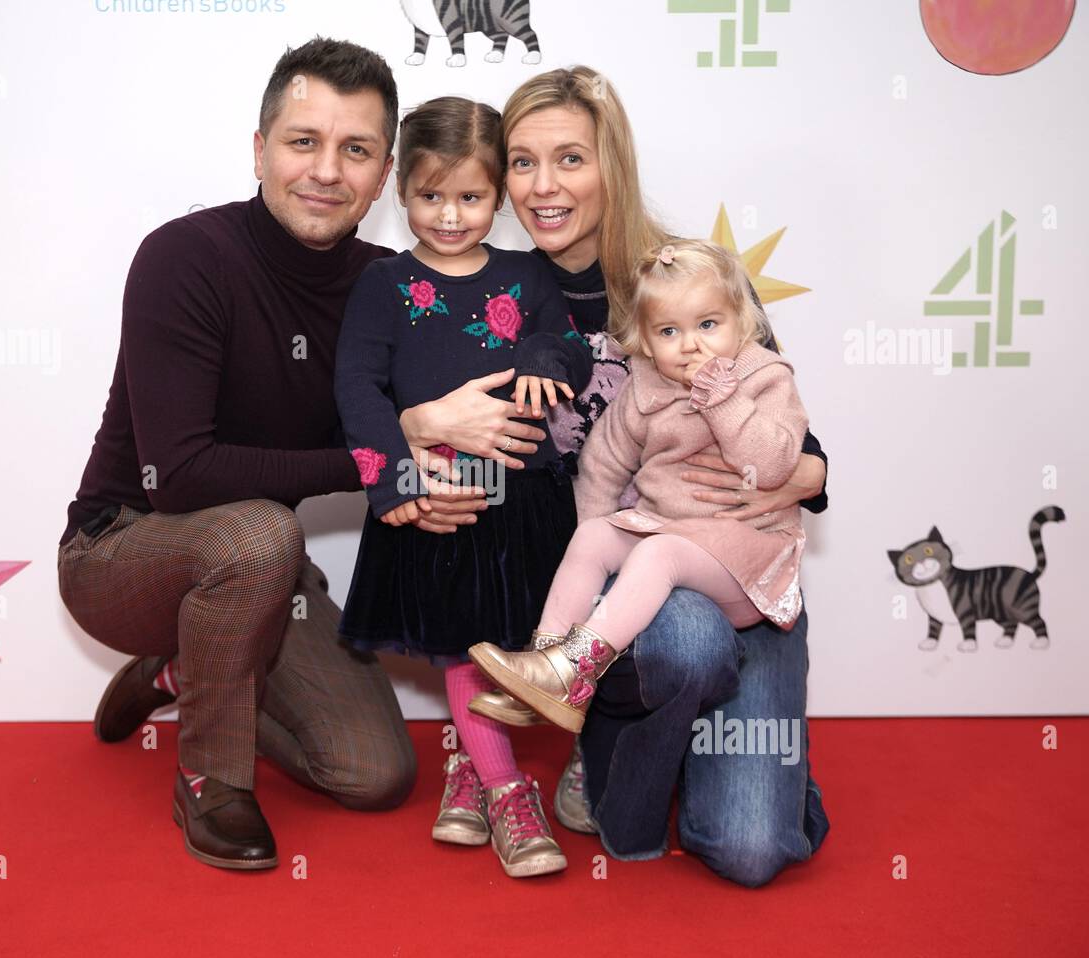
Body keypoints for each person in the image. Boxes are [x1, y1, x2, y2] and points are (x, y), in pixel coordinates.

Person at [395, 66, 831, 885]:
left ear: (612, 165)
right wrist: (414, 425)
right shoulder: (496, 289)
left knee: (749, 848)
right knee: (684, 639)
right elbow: (402, 399)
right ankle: (601, 721)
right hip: (607, 577)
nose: (542, 185)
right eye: (520, 162)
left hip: (735, 561)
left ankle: (708, 755)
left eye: (569, 158)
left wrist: (795, 476)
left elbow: (803, 443)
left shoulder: (687, 277)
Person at [56, 38, 427, 870]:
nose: (327, 170)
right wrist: (376, 466)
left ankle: (184, 672)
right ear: (260, 150)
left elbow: (438, 424)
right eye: (304, 141)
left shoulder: (394, 289)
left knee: (377, 774)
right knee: (260, 534)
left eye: (356, 149)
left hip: (260, 576)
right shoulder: (186, 256)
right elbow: (181, 474)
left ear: (385, 172)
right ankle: (210, 779)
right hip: (121, 549)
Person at [333, 97, 593, 878]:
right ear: (401, 190)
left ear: (498, 197)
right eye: (430, 195)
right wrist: (394, 482)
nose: (450, 215)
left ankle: (470, 766)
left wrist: (549, 357)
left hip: (528, 504)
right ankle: (507, 788)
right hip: (437, 501)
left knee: (526, 644)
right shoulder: (382, 284)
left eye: (471, 196)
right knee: (464, 645)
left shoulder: (527, 274)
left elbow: (569, 348)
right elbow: (357, 386)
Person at [471, 237, 810, 732]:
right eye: (669, 331)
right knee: (592, 535)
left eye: (709, 325)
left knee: (658, 553)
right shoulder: (647, 385)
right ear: (646, 343)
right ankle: (545, 667)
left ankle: (573, 671)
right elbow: (604, 463)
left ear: (743, 320)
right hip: (671, 534)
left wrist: (722, 398)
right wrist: (599, 549)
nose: (691, 344)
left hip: (746, 557)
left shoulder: (763, 375)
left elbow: (776, 462)